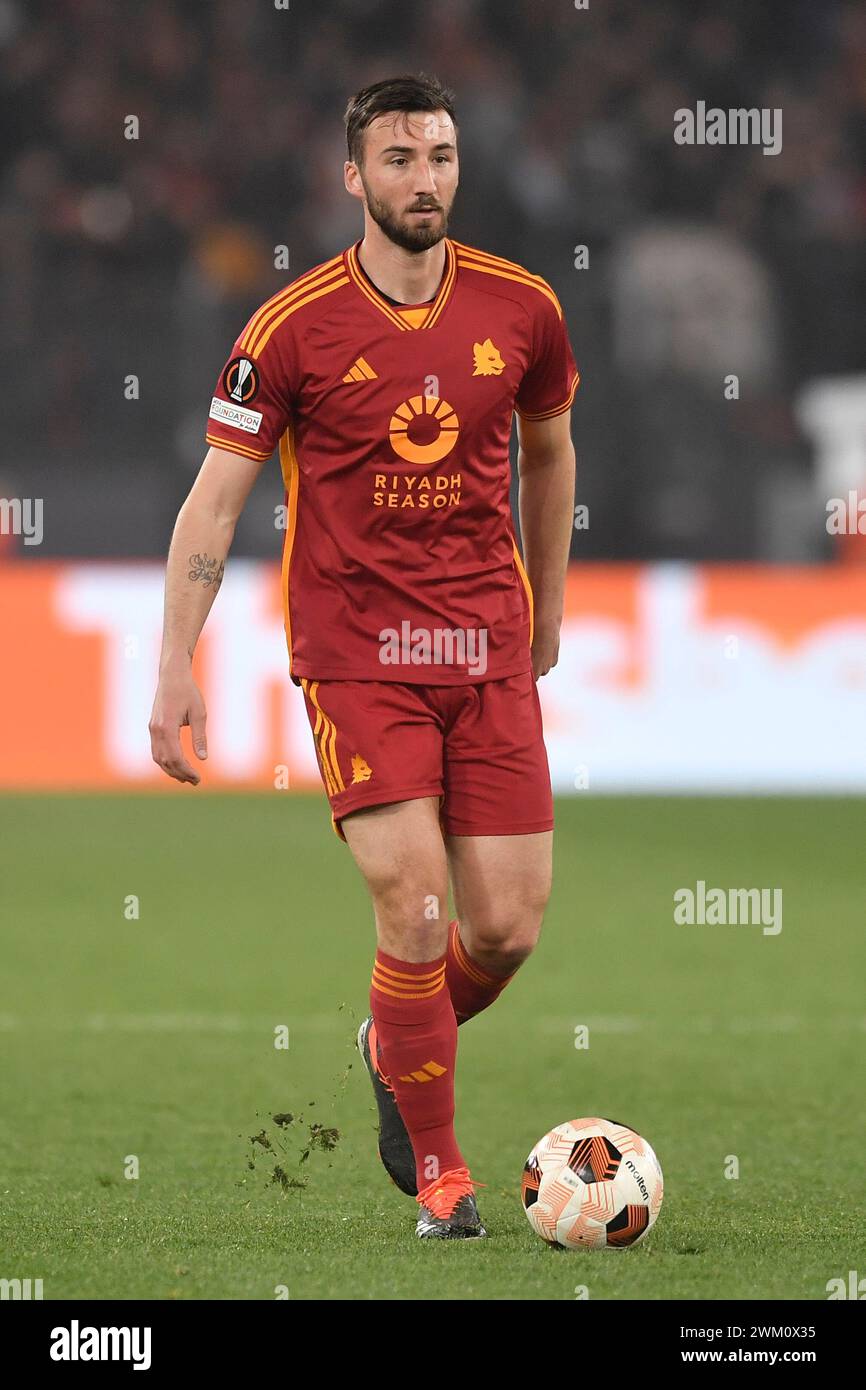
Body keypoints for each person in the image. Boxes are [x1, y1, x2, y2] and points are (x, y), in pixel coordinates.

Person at [149, 72, 578, 1239]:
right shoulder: (288, 330)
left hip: (485, 645)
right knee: (416, 903)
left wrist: (545, 609)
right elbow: (214, 506)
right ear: (354, 178)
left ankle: (389, 1038)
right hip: (358, 653)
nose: (422, 179)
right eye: (397, 160)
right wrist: (174, 663)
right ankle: (444, 1182)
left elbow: (549, 458)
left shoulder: (522, 310)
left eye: (437, 157)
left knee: (507, 928)